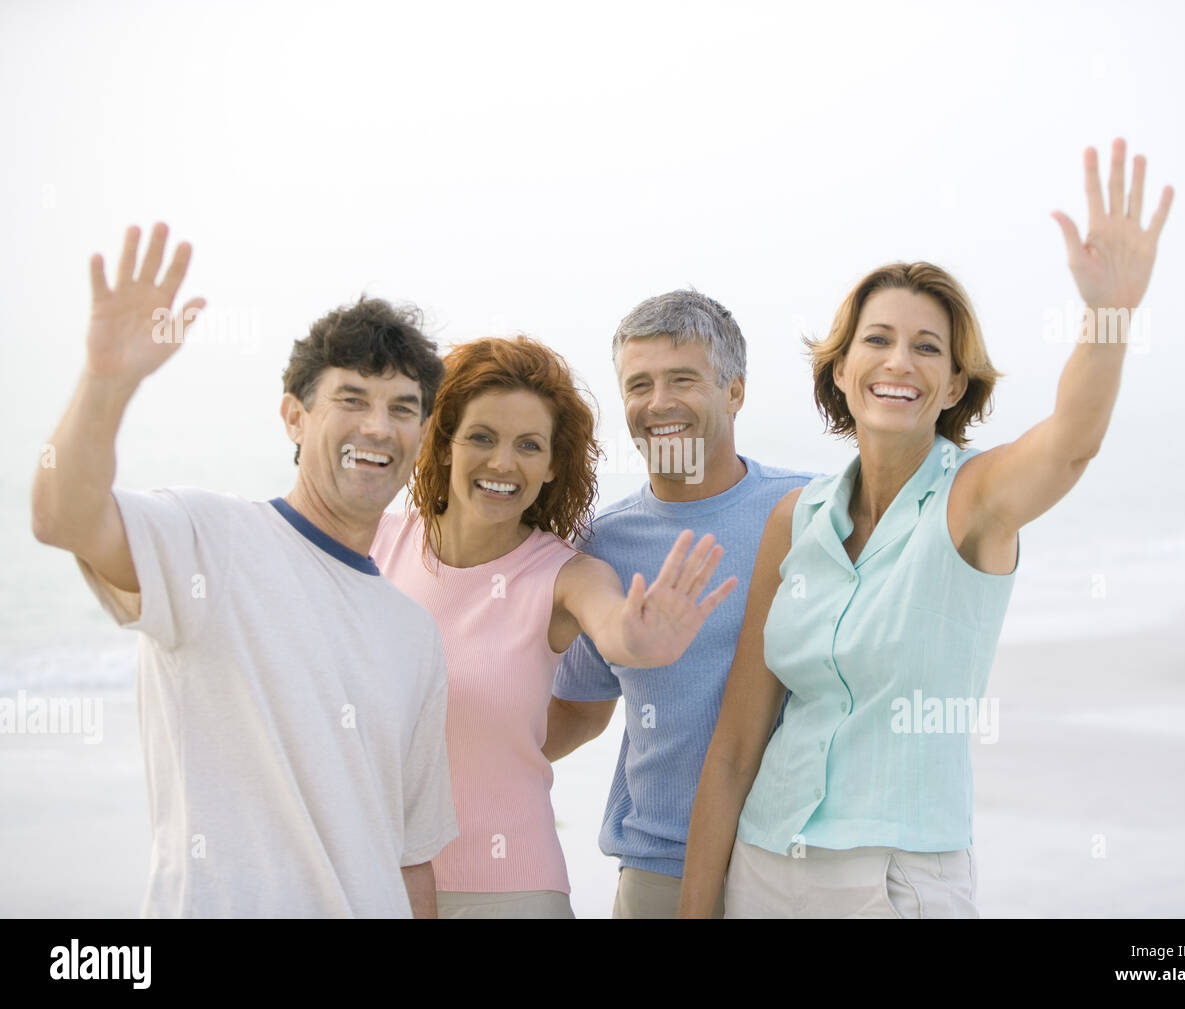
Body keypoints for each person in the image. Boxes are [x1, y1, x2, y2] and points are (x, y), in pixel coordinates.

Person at [679, 140, 1174, 918]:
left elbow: (1071, 442)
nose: (898, 361)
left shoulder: (975, 501)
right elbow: (738, 744)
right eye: (877, 339)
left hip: (899, 877)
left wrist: (1108, 314)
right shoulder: (794, 519)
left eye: (927, 347)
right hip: (765, 864)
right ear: (841, 369)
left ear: (952, 385)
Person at [30, 223, 458, 917]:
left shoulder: (414, 634)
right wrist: (106, 384)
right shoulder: (210, 540)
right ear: (294, 416)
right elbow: (62, 517)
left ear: (419, 437)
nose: (378, 427)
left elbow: (410, 857)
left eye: (402, 409)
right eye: (350, 399)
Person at [371, 334, 737, 918]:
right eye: (482, 438)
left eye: (529, 445)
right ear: (442, 445)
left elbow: (613, 626)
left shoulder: (566, 573)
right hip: (371, 881)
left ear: (550, 466)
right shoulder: (376, 547)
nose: (503, 463)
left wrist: (638, 641)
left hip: (511, 890)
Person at [545, 290, 815, 917]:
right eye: (639, 385)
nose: (658, 403)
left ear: (735, 392)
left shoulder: (813, 511)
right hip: (659, 870)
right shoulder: (604, 545)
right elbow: (580, 711)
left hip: (798, 863)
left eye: (683, 379)